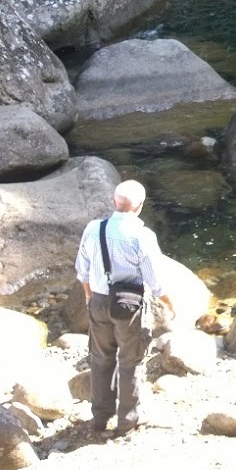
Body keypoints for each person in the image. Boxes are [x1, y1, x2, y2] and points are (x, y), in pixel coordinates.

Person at [74, 179, 174, 436]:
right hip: (129, 306)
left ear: (113, 203)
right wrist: (170, 304)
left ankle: (100, 419)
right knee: (130, 362)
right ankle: (127, 421)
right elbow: (156, 281)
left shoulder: (93, 229)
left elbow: (82, 270)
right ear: (140, 206)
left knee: (100, 359)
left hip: (97, 300)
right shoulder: (143, 236)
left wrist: (88, 296)